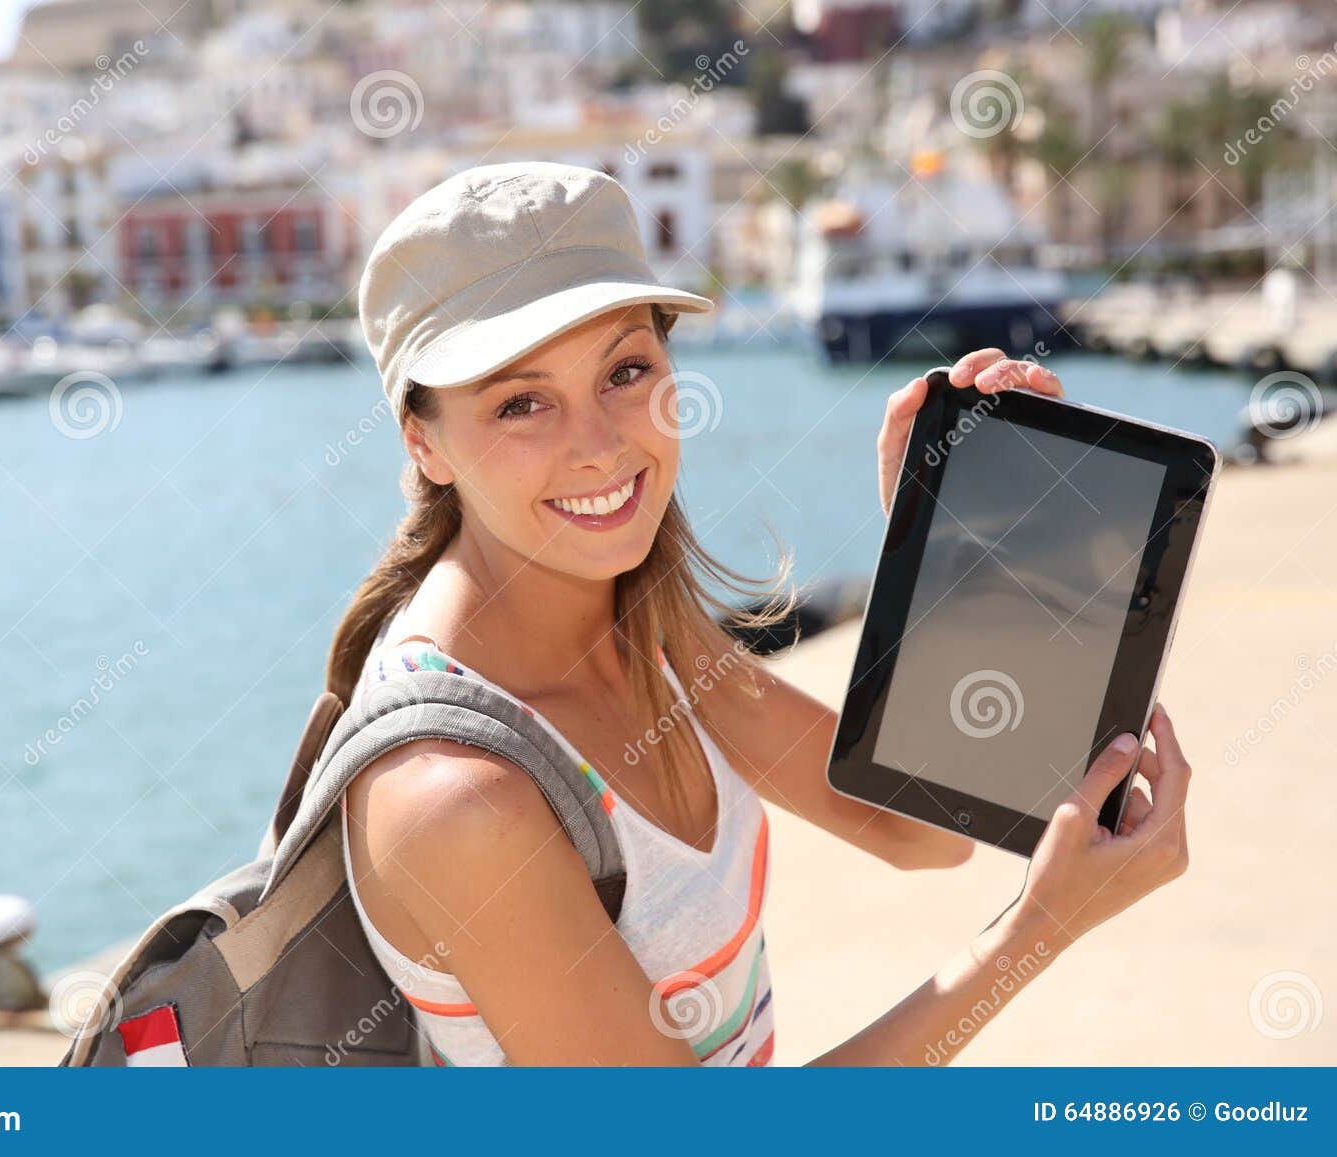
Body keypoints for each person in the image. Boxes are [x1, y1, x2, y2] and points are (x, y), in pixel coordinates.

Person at [328, 161, 1190, 1066]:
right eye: (521, 402)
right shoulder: (454, 795)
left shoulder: (645, 624)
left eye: (625, 370)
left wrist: (939, 555)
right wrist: (1034, 936)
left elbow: (915, 827)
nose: (601, 445)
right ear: (423, 440)